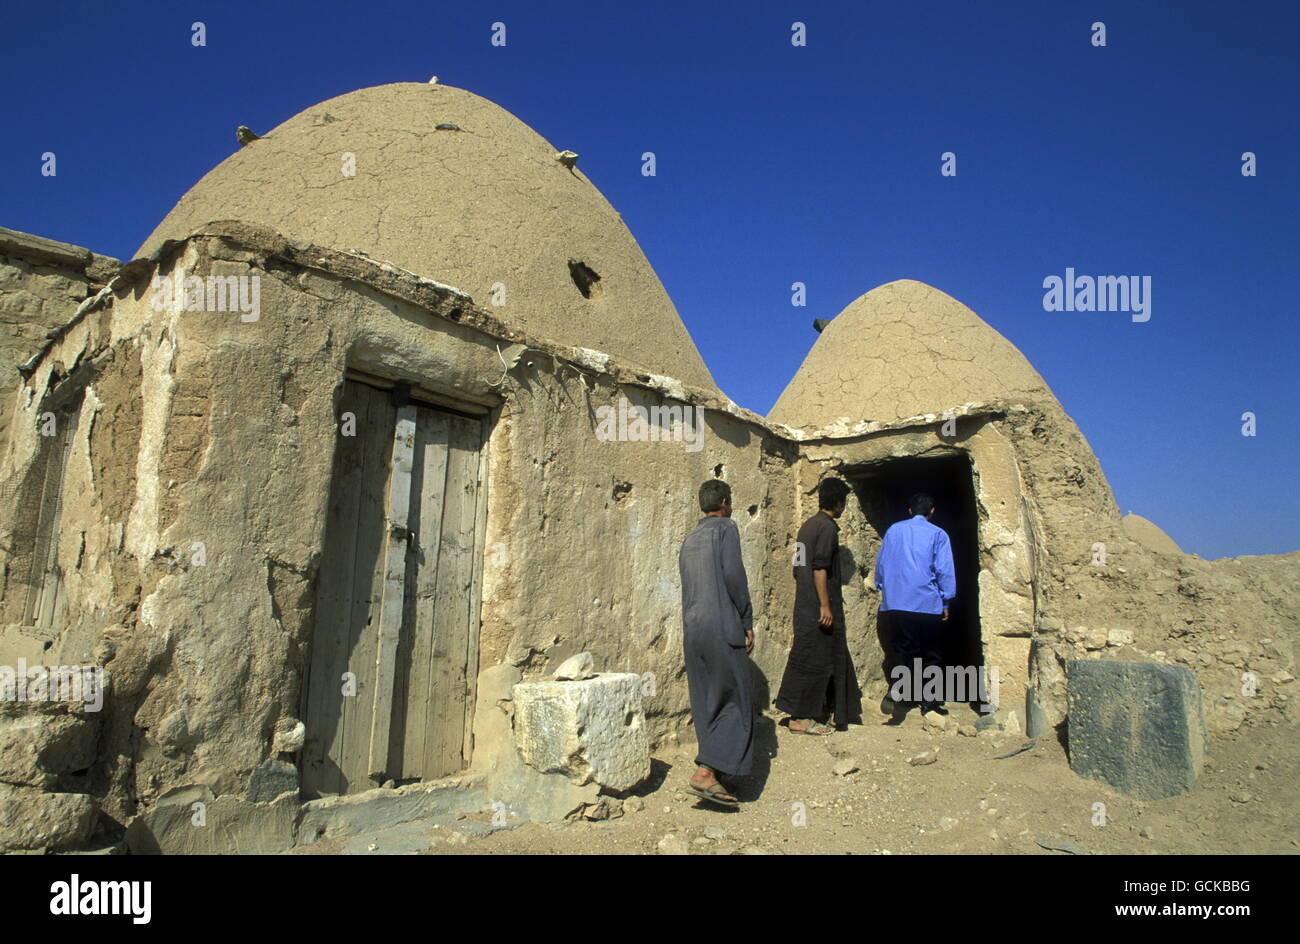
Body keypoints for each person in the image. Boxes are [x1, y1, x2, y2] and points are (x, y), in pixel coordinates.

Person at [678, 479, 754, 807]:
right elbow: (734, 576)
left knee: (708, 698)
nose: (732, 506)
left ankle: (711, 766)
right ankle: (708, 772)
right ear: (724, 502)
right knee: (736, 697)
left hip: (693, 631)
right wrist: (747, 620)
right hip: (722, 625)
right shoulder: (726, 529)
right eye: (731, 501)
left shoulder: (689, 539)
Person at [775, 477, 855, 735]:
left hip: (804, 604)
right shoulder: (828, 528)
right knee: (814, 659)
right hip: (819, 606)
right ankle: (801, 717)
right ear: (839, 503)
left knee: (814, 656)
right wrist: (824, 605)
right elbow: (820, 568)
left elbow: (798, 567)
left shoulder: (806, 526)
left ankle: (828, 712)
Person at [873, 492, 957, 717]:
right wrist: (946, 600)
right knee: (932, 652)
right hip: (927, 602)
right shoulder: (938, 534)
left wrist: (881, 587)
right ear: (932, 511)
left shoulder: (893, 530)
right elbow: (944, 570)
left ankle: (901, 692)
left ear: (909, 511)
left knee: (902, 650)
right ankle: (930, 702)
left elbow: (882, 563)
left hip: (897, 602)